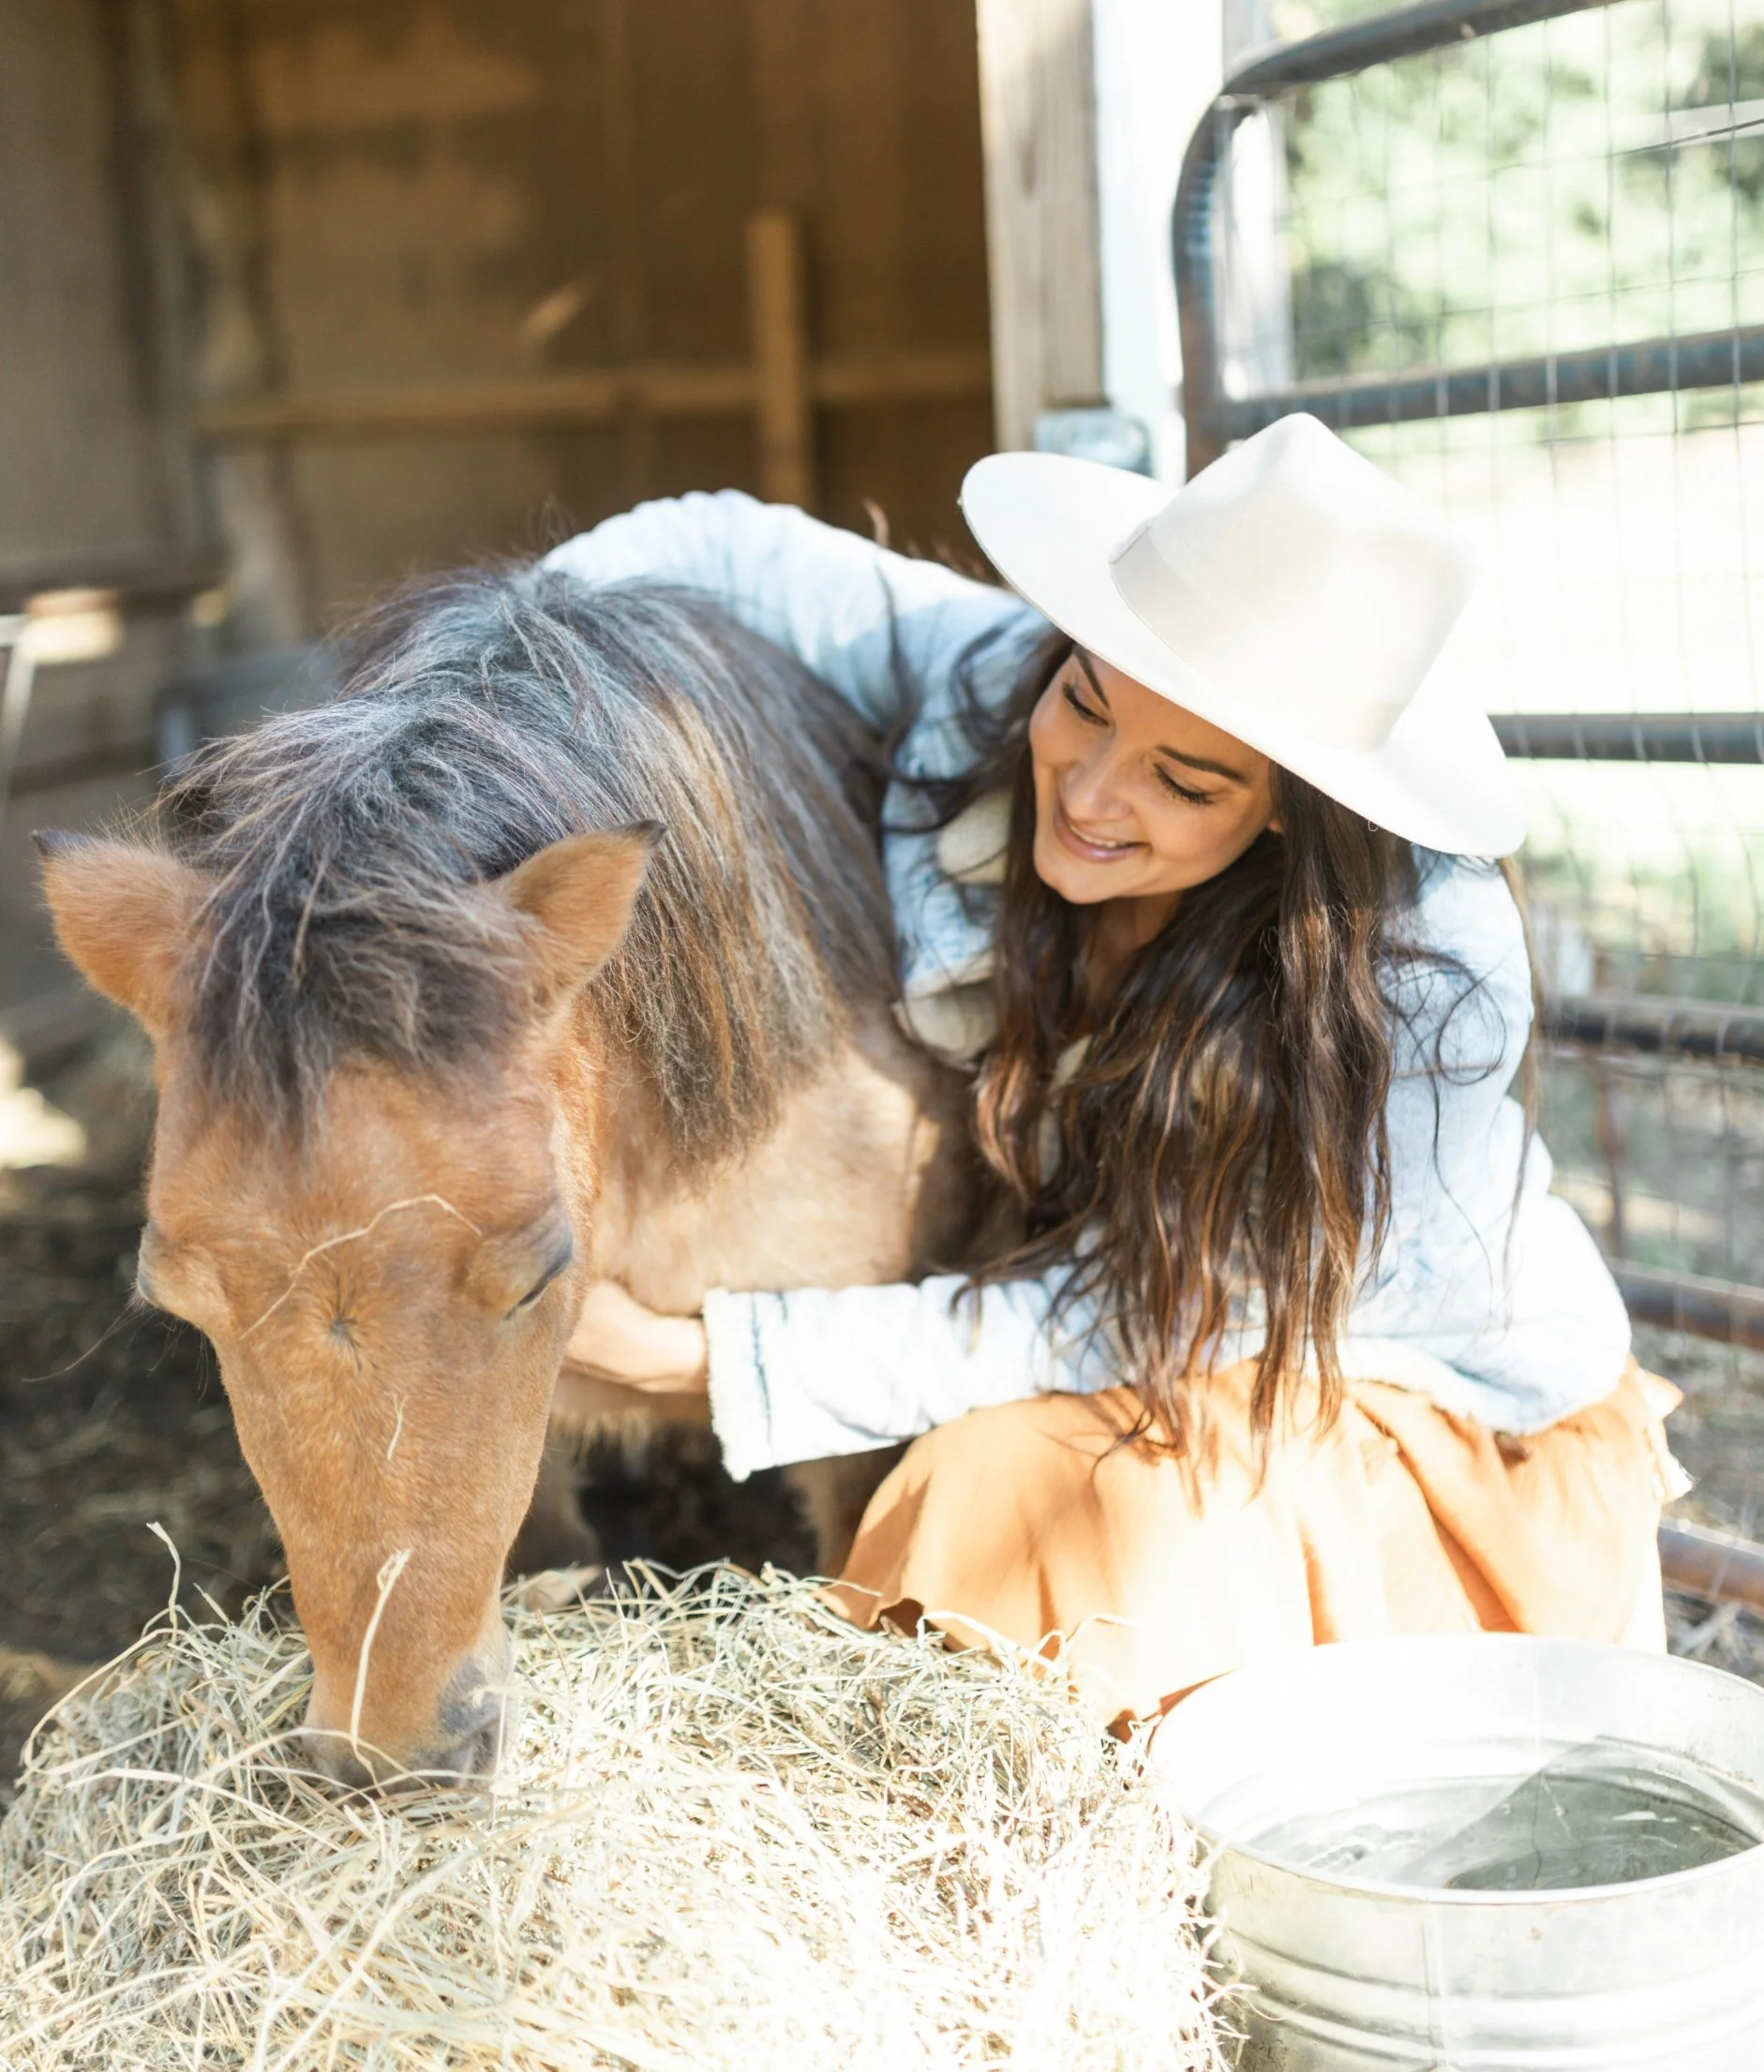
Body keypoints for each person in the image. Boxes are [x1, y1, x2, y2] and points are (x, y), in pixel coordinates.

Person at [544, 415, 1681, 1726]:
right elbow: (720, 547)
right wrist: (493, 686)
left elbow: (1116, 1319)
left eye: (1181, 781)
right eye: (1081, 700)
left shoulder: (1419, 984)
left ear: (1288, 810)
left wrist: (696, 1360)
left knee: (1025, 1495)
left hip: (1384, 1387)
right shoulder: (991, 678)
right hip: (1132, 1322)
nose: (1085, 792)